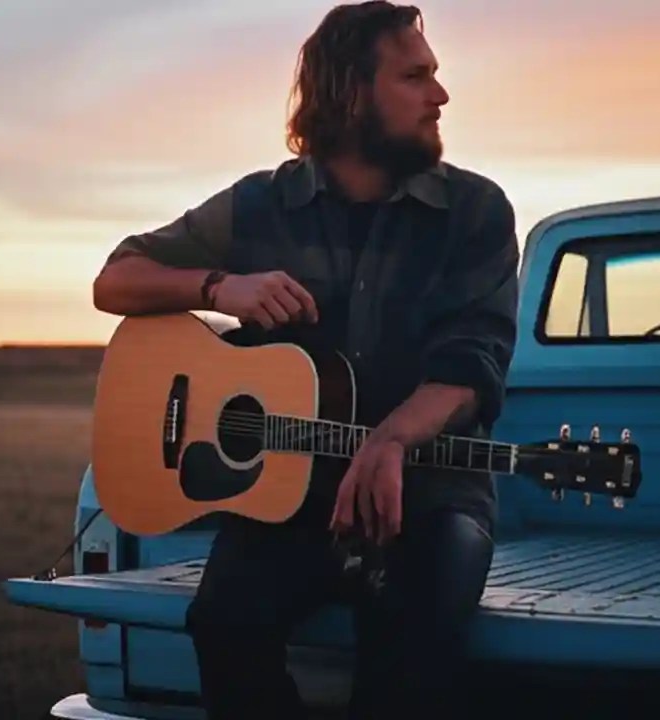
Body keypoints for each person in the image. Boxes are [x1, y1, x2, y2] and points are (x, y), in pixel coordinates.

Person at [91, 2, 519, 717]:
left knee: (411, 648)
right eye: (414, 77)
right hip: (289, 498)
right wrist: (220, 286)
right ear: (351, 93)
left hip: (431, 497)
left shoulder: (474, 213)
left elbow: (470, 365)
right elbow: (114, 281)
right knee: (223, 624)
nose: (440, 95)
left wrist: (389, 441)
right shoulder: (261, 205)